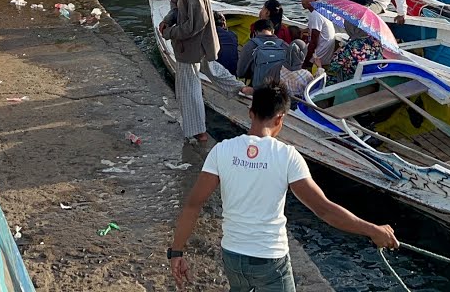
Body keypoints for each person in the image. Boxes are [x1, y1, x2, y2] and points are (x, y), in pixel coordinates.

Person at [169, 82, 398, 292]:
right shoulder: (287, 156)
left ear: (251, 113)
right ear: (280, 118)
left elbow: (193, 205)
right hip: (270, 260)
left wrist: (176, 252)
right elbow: (324, 210)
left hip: (233, 256)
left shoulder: (222, 150)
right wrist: (372, 229)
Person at [159, 0, 221, 143]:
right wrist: (168, 19)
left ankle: (199, 131)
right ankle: (195, 128)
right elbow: (177, 6)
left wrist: (171, 32)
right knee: (190, 85)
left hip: (190, 47)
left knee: (189, 89)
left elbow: (197, 21)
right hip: (192, 47)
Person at [235, 19, 291, 86]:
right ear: (273, 31)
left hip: (258, 89)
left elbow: (240, 73)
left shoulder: (250, 45)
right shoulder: (284, 45)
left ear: (255, 32)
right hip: (280, 88)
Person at [299, 0, 338, 69]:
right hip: (325, 55)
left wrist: (305, 62)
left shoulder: (315, 15)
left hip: (319, 58)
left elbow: (313, 43)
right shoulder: (321, 11)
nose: (302, 0)